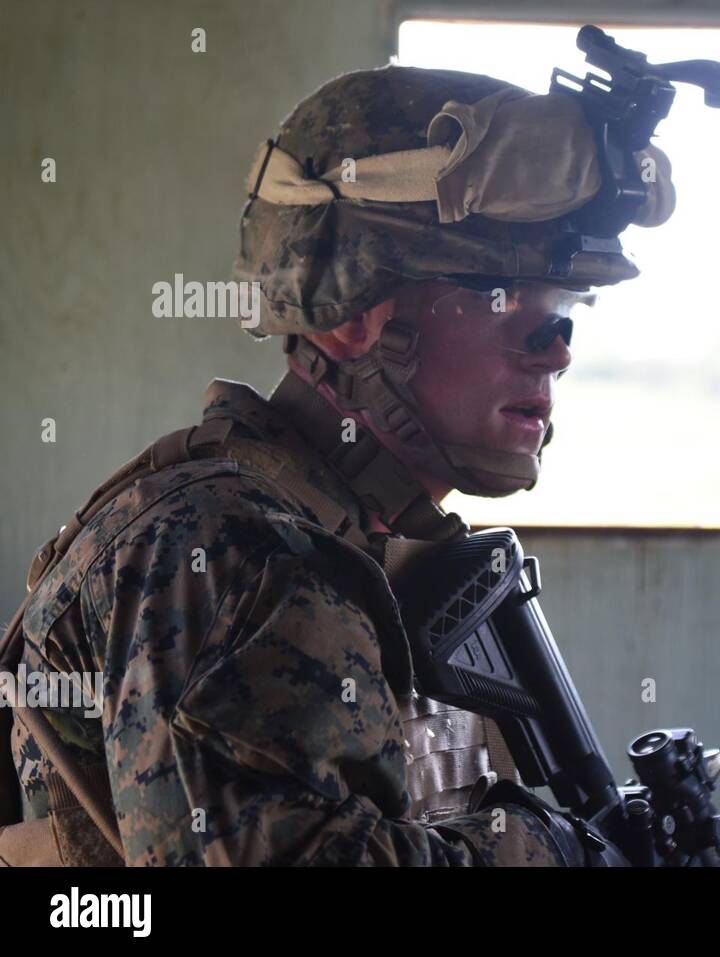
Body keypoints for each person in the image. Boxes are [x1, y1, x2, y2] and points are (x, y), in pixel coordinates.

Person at [0, 56, 677, 866]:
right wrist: (547, 851)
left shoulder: (373, 551)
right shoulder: (231, 550)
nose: (555, 351)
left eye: (567, 308)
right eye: (506, 292)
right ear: (352, 317)